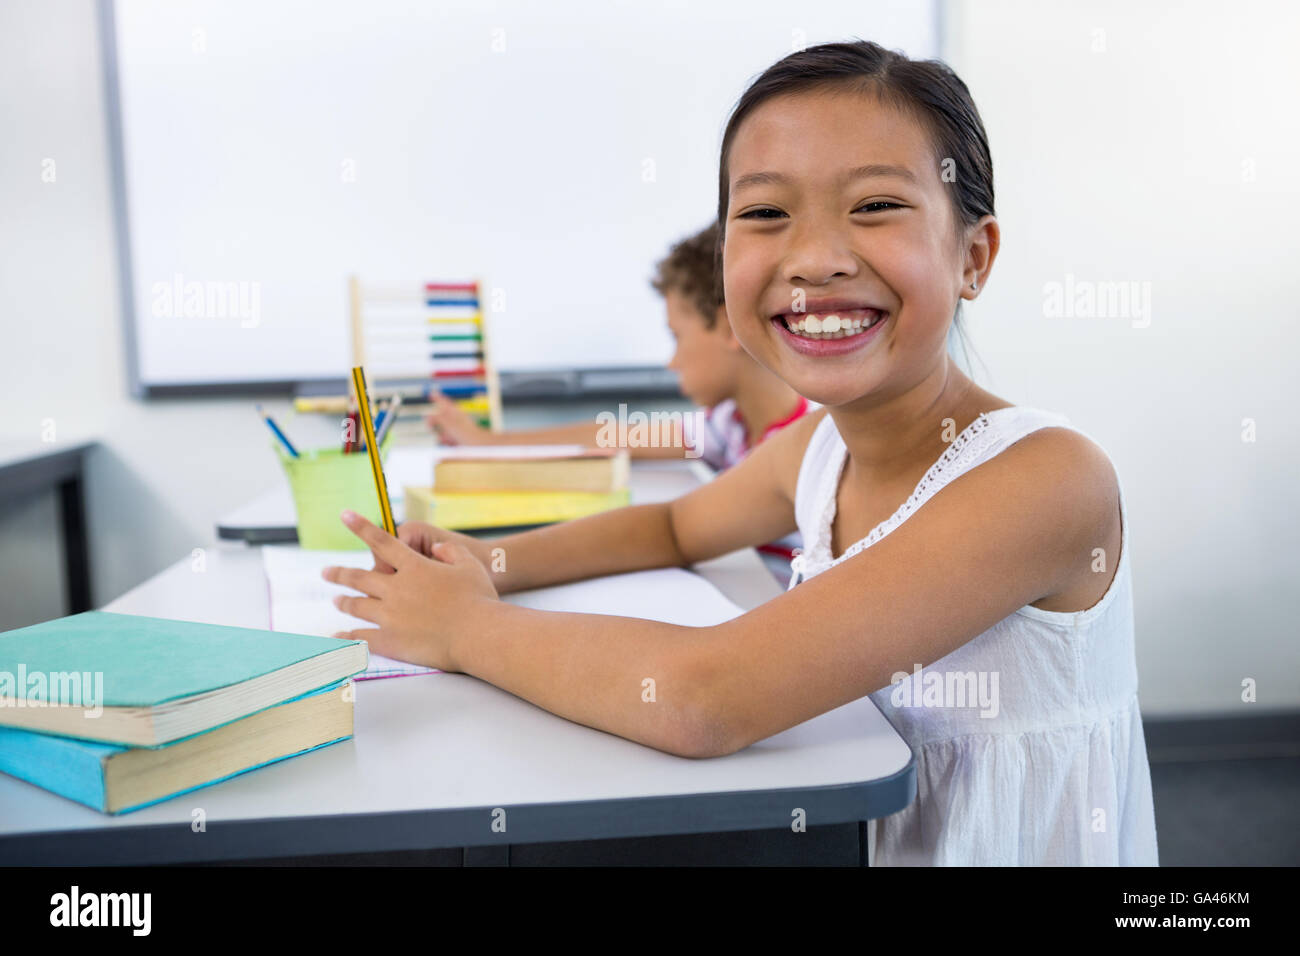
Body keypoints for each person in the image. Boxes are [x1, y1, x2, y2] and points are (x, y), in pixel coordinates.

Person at [325, 39, 1159, 866]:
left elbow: (703, 699)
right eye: (764, 213)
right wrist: (487, 560)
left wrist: (464, 626)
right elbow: (675, 529)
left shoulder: (1047, 480)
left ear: (972, 256)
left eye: (875, 206)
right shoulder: (818, 449)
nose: (816, 260)